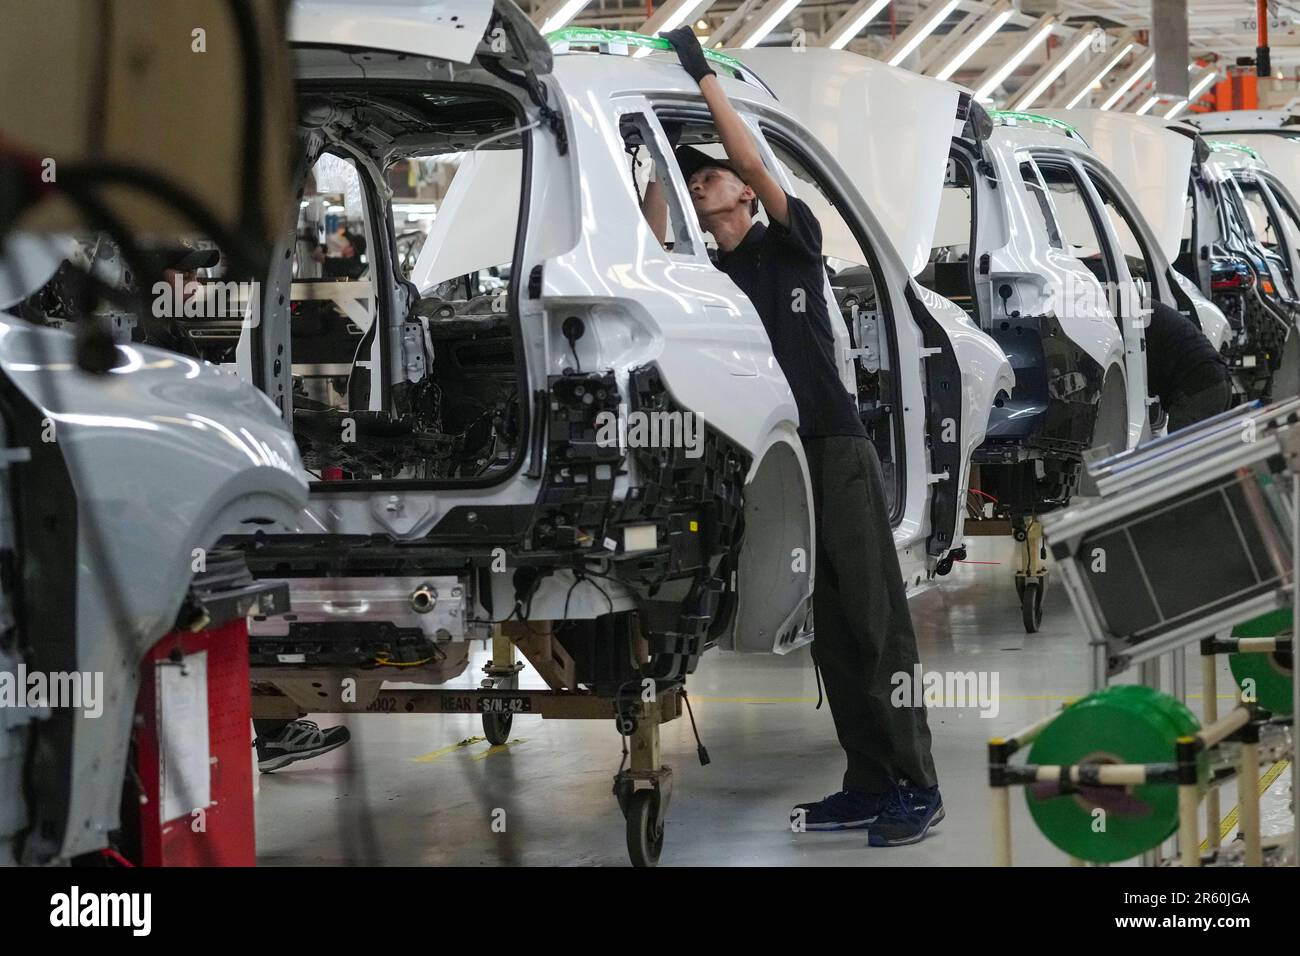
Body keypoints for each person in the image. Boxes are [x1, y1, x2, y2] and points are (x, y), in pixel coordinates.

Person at [656, 26, 942, 846]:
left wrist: (704, 77)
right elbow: (653, 231)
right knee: (830, 633)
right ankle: (866, 780)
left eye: (710, 178)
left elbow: (751, 165)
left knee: (875, 620)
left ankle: (917, 785)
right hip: (780, 465)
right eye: (697, 181)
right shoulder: (706, 280)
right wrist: (662, 168)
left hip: (835, 447)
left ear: (745, 195)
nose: (706, 186)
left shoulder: (792, 243)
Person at [1144, 299, 1231, 431]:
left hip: (1198, 389)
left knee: (1183, 449)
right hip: (1214, 381)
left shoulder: (1132, 317)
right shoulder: (1143, 309)